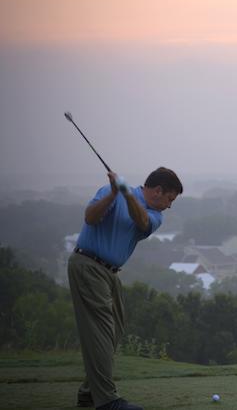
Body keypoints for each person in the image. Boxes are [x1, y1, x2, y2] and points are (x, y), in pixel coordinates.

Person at [68, 167, 182, 410]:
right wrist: (113, 193)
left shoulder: (155, 215)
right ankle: (107, 401)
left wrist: (126, 194)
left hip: (111, 273)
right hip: (88, 265)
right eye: (170, 199)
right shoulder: (109, 192)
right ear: (158, 191)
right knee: (101, 331)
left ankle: (89, 393)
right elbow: (90, 218)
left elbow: (141, 221)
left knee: (114, 332)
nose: (170, 206)